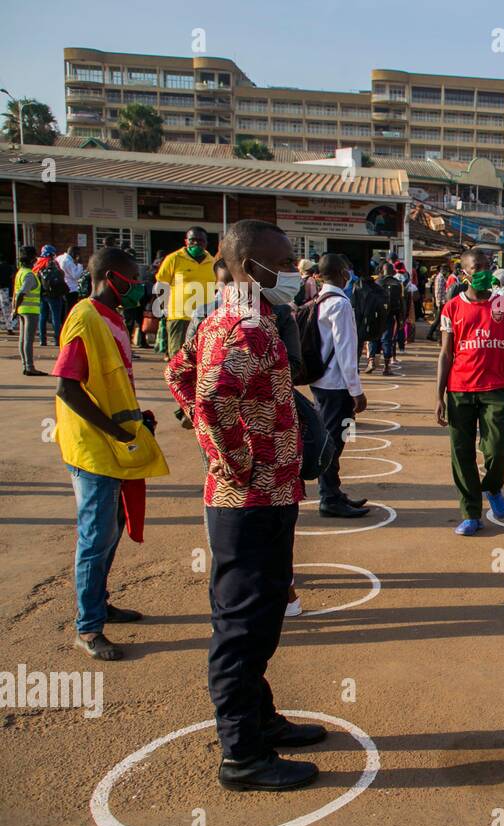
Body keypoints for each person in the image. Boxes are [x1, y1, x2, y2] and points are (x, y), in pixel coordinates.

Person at [165, 218, 323, 793]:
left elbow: (179, 372)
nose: (292, 272)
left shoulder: (219, 319)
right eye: (281, 262)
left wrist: (236, 456)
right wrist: (235, 463)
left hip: (265, 493)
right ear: (250, 267)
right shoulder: (248, 328)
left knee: (259, 616)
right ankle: (243, 755)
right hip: (251, 498)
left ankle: (261, 719)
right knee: (243, 627)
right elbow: (209, 400)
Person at [53, 245, 170, 661]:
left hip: (116, 446)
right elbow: (67, 388)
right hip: (94, 448)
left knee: (111, 529)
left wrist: (134, 421)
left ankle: (99, 603)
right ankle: (88, 628)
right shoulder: (85, 318)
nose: (138, 286)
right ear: (110, 278)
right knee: (95, 536)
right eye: (132, 280)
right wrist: (116, 431)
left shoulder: (113, 318)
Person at [435, 248, 504, 536]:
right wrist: (439, 395)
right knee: (461, 452)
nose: (483, 271)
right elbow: (446, 354)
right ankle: (471, 513)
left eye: (486, 266)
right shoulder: (452, 308)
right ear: (464, 273)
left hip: (496, 388)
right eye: (476, 267)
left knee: (497, 446)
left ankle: (492, 486)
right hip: (460, 389)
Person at [311, 253, 370, 519]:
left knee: (334, 438)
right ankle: (329, 497)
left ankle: (333, 491)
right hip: (337, 385)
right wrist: (356, 391)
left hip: (322, 381)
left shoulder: (320, 299)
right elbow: (346, 351)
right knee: (334, 442)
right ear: (342, 273)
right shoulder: (340, 304)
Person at [154, 227, 217, 357]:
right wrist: (165, 308)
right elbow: (161, 285)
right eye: (192, 240)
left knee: (203, 357)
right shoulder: (173, 258)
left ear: (206, 243)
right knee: (178, 357)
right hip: (180, 317)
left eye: (201, 240)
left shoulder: (213, 262)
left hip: (205, 318)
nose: (196, 243)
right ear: (186, 241)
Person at [12, 245, 45, 375]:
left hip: (22, 309)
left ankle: (25, 366)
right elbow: (21, 293)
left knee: (23, 339)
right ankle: (30, 367)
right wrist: (15, 309)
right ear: (32, 260)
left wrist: (15, 309)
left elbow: (16, 293)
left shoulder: (20, 272)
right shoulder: (29, 275)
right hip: (30, 310)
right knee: (28, 340)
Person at [34, 243, 68, 348]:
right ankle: (57, 339)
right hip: (54, 294)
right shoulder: (53, 263)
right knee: (55, 317)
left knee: (42, 317)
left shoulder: (38, 264)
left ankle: (42, 340)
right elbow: (62, 275)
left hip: (42, 294)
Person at [375, 263, 406, 376]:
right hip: (391, 315)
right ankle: (386, 366)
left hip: (378, 315)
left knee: (375, 338)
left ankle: (372, 361)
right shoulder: (397, 284)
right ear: (392, 272)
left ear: (382, 271)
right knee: (387, 339)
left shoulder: (377, 282)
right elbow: (401, 302)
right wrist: (401, 318)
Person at [57, 244, 86, 309]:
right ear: (74, 254)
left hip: (63, 287)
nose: (79, 256)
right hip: (71, 289)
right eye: (78, 254)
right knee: (71, 308)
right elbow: (76, 276)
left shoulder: (60, 257)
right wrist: (80, 264)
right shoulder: (68, 262)